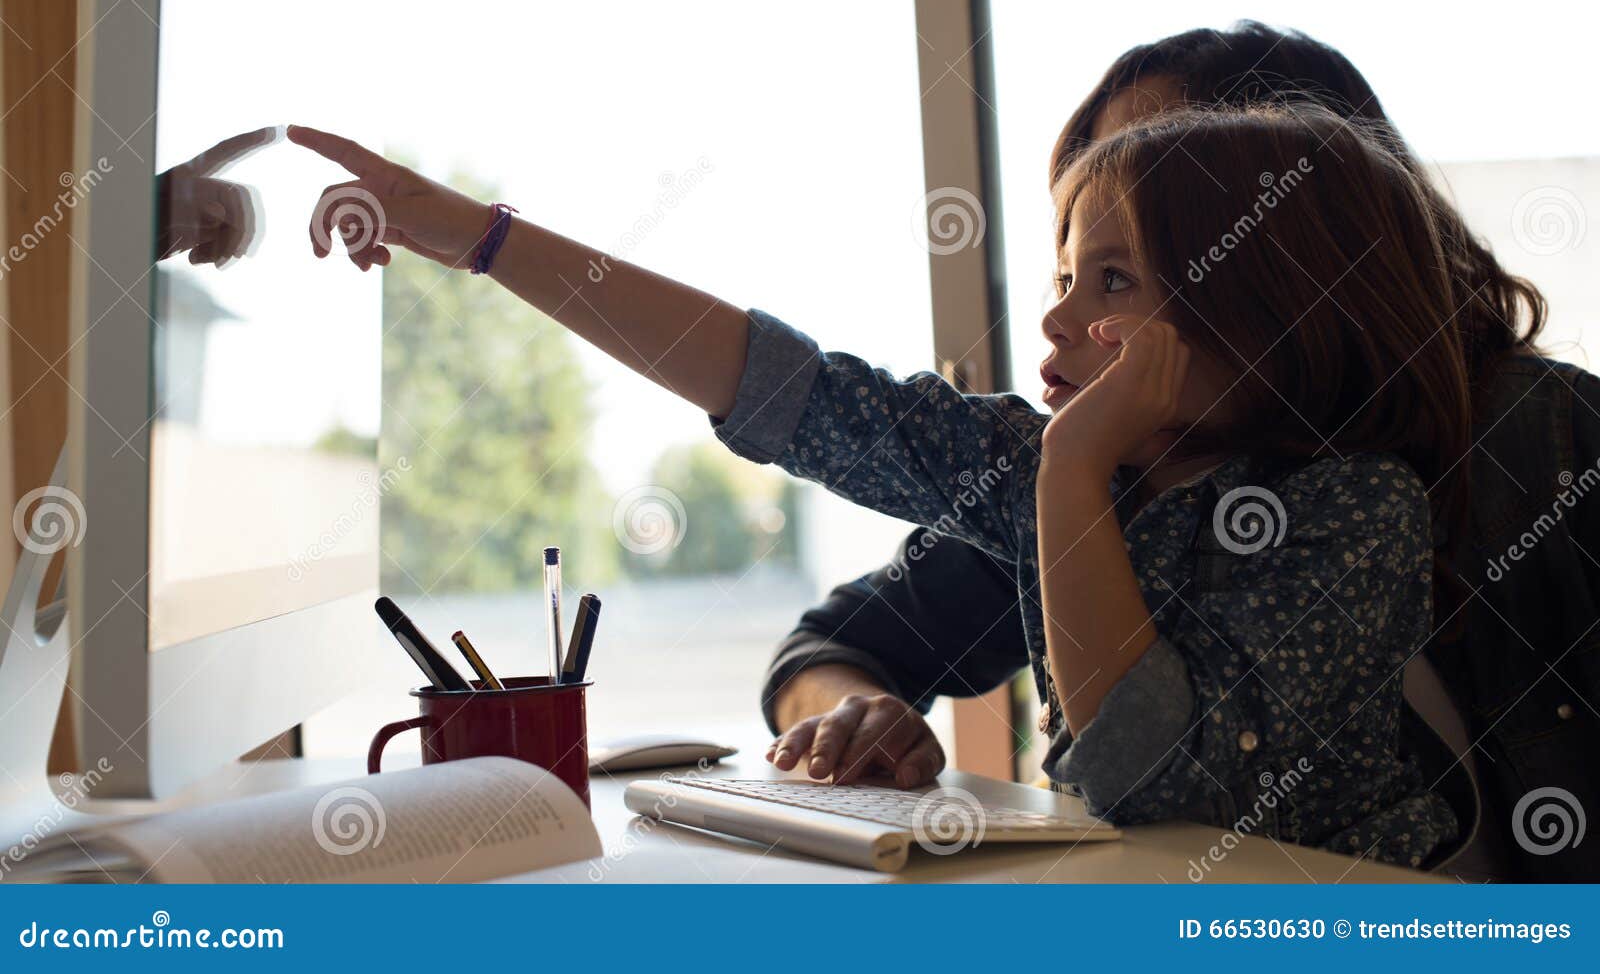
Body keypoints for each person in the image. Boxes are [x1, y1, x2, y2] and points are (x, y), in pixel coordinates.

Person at [290, 97, 1478, 869]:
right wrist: (486, 242)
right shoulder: (1050, 466)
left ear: (1263, 312)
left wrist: (1070, 469)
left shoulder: (1357, 515)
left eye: (1113, 282)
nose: (1056, 318)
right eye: (1065, 277)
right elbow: (784, 389)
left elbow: (1147, 778)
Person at [763, 23, 1599, 882]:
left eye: (1178, 193)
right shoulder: (1116, 476)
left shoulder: (1553, 433)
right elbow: (832, 646)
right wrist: (854, 716)